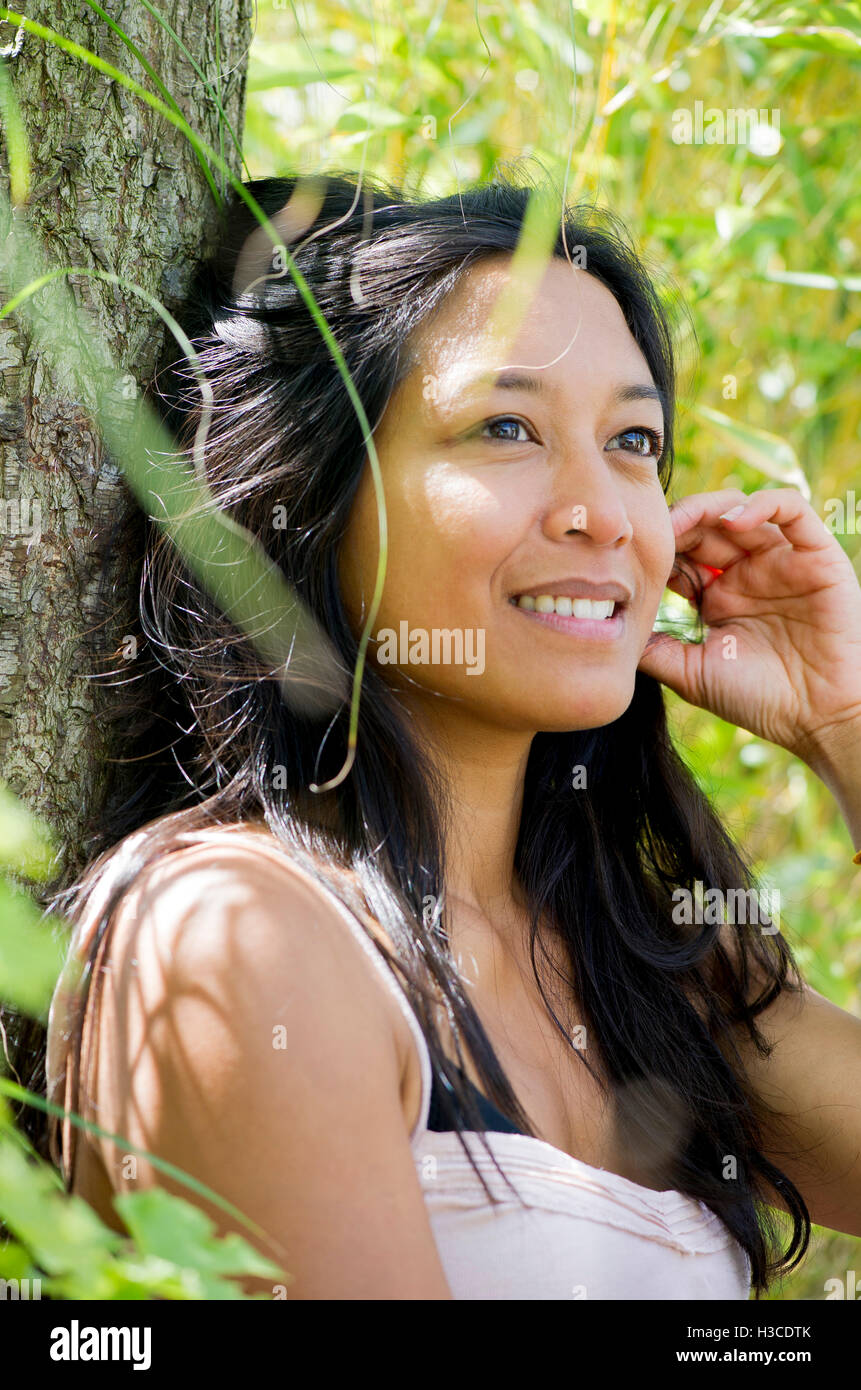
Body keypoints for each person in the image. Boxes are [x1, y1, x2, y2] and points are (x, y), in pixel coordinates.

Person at [44, 169, 861, 1300]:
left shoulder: (645, 963)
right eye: (506, 427)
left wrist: (843, 724)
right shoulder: (237, 933)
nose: (601, 513)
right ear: (313, 495)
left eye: (633, 440)